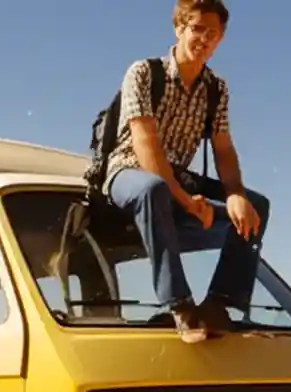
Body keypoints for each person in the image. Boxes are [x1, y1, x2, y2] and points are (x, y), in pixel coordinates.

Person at [102, 0, 270, 343]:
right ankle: (179, 304)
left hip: (177, 177)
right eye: (197, 29)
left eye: (214, 33)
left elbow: (223, 149)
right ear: (179, 28)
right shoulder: (145, 73)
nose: (205, 39)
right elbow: (146, 146)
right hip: (126, 172)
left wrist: (236, 194)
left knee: (257, 205)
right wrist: (184, 199)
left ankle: (220, 304)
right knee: (153, 189)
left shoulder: (216, 88)